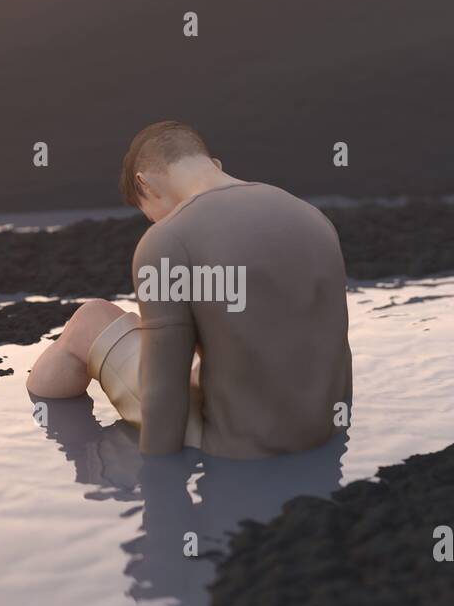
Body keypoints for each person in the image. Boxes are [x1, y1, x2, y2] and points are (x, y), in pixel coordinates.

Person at [27, 120, 352, 458]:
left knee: (90, 319)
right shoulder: (312, 217)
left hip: (233, 445)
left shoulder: (168, 238)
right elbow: (336, 346)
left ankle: (41, 415)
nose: (156, 223)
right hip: (320, 431)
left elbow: (163, 388)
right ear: (215, 165)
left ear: (146, 184)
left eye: (150, 216)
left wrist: (161, 478)